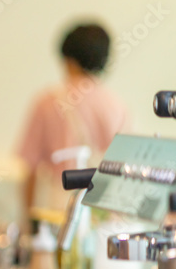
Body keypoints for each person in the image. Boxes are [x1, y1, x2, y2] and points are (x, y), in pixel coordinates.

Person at [16, 22, 130, 215]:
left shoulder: (47, 102)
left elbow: (31, 168)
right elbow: (125, 166)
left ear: (69, 60)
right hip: (104, 210)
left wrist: (29, 220)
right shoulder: (117, 105)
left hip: (60, 212)